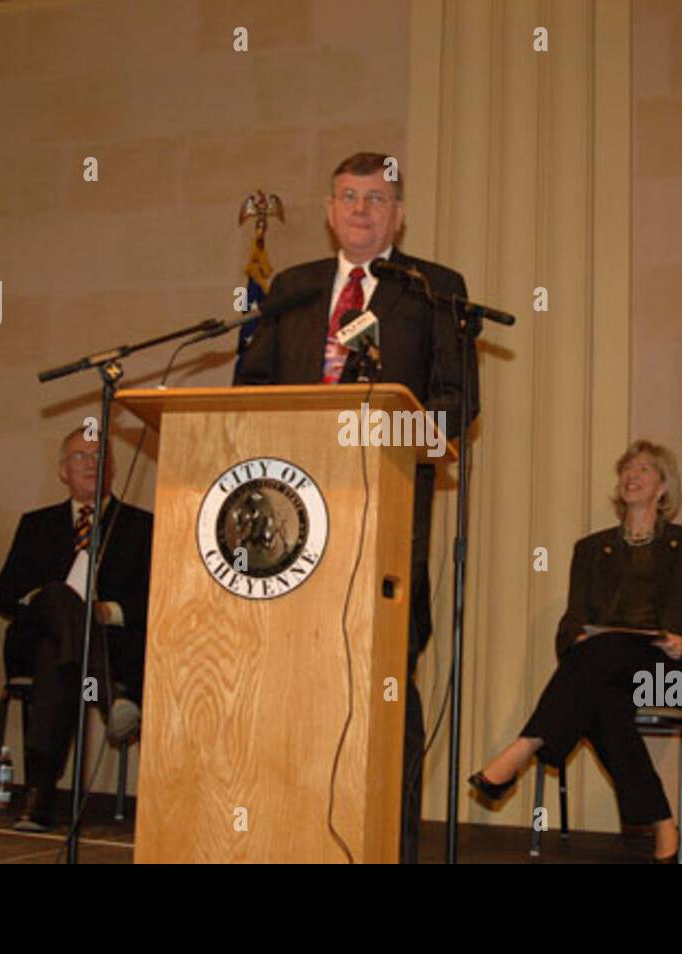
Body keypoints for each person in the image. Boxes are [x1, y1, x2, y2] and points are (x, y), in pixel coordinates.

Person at [234, 151, 478, 863]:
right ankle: (285, 833)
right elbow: (249, 388)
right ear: (328, 210)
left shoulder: (433, 288)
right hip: (288, 518)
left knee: (384, 681)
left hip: (387, 516)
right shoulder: (294, 287)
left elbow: (457, 401)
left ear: (399, 214)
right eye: (348, 196)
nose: (361, 209)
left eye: (376, 198)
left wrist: (386, 435)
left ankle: (390, 845)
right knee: (289, 676)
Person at [468, 441, 682, 862]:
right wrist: (578, 640)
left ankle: (527, 744)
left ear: (663, 487)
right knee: (604, 696)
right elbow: (571, 622)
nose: (631, 476)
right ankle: (662, 820)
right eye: (626, 469)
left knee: (602, 656)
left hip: (668, 672)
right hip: (603, 669)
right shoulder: (590, 549)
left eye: (644, 469)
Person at [0, 426, 154, 831]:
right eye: (80, 456)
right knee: (58, 597)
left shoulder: (142, 526)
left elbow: (157, 596)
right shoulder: (36, 524)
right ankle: (109, 698)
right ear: (62, 471)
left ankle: (38, 798)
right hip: (35, 635)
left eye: (100, 456)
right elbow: (7, 592)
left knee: (58, 658)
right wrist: (51, 602)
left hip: (107, 643)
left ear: (113, 468)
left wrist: (108, 611)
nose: (91, 464)